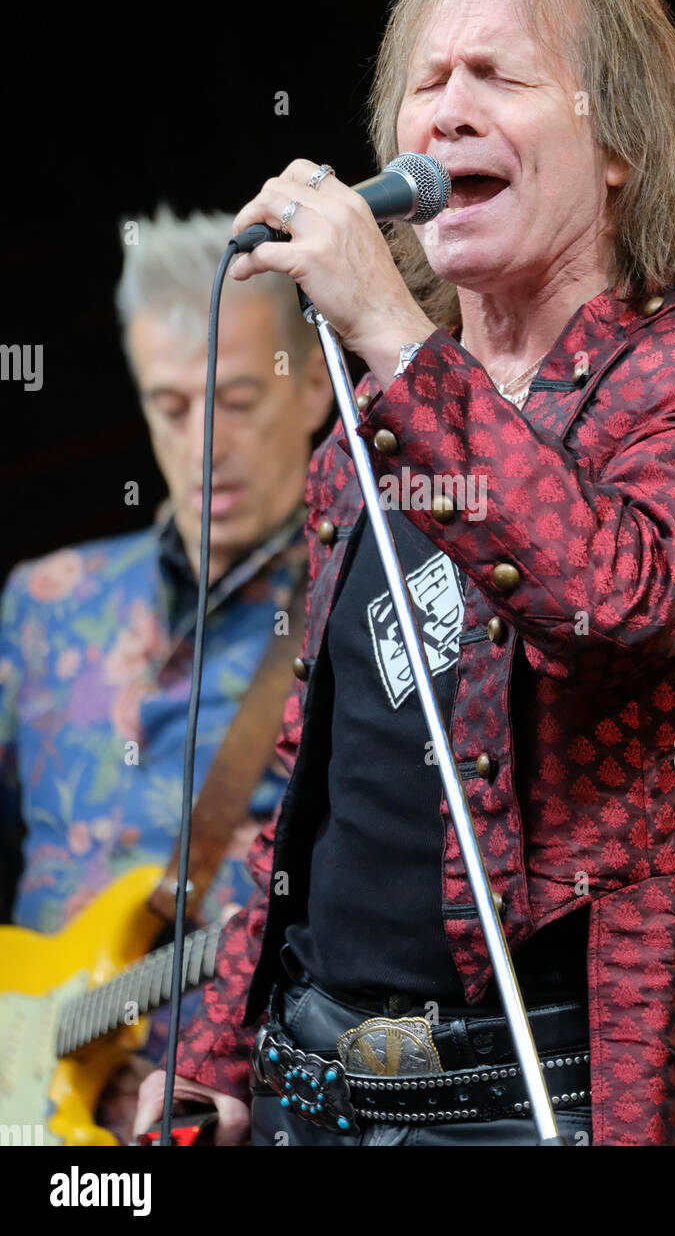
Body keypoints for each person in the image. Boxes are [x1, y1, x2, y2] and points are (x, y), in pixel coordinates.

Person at [135, 0, 675, 1147]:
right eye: (424, 83)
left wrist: (398, 342)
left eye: (496, 76)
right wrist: (211, 1057)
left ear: (615, 143)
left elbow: (612, 598)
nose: (442, 112)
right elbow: (312, 784)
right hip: (316, 1089)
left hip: (557, 1096)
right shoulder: (367, 429)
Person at [0, 206, 333, 1140]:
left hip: (231, 1111)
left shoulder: (359, 614)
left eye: (234, 402)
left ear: (310, 389)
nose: (203, 446)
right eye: (173, 407)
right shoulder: (45, 600)